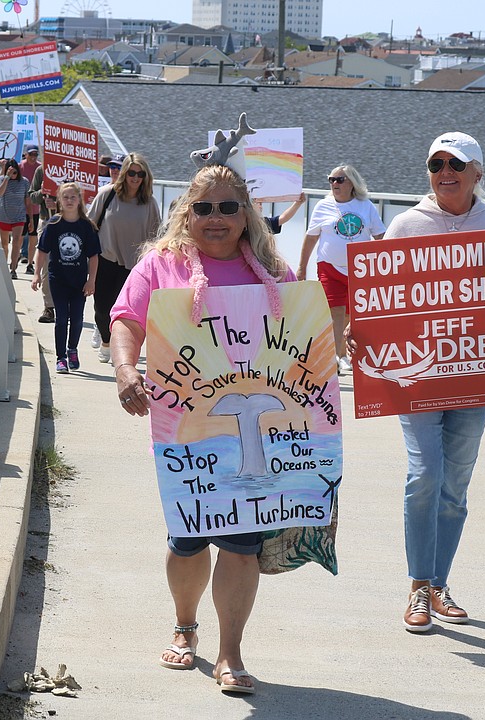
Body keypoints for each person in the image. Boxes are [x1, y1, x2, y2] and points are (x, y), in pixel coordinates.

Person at [109, 164, 296, 695]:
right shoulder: (159, 265)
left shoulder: (273, 272)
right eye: (204, 207)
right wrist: (127, 369)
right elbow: (127, 319)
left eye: (228, 207)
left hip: (255, 438)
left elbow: (305, 338)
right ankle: (185, 622)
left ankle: (230, 652)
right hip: (184, 432)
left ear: (246, 215)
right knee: (187, 541)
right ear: (187, 213)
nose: (216, 218)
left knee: (241, 543)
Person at [345, 131, 485, 633]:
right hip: (418, 376)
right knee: (425, 475)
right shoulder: (408, 224)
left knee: (455, 485)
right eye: (436, 164)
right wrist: (359, 327)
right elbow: (380, 295)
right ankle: (416, 585)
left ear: (479, 172)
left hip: (476, 375)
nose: (445, 172)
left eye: (457, 163)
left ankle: (439, 583)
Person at [297, 165, 385, 375]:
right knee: (334, 312)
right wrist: (302, 268)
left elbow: (381, 237)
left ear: (351, 183)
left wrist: (383, 267)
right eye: (331, 179)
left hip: (359, 269)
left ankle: (349, 352)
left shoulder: (366, 206)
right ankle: (339, 356)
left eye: (339, 180)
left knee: (352, 314)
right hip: (329, 267)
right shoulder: (323, 206)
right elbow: (310, 238)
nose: (334, 184)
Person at [87, 152, 160, 363]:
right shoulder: (107, 194)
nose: (135, 178)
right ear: (124, 174)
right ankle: (106, 341)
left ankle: (120, 350)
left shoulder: (150, 203)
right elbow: (90, 225)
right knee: (101, 309)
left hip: (134, 266)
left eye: (140, 174)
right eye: (131, 173)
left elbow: (156, 237)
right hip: (106, 259)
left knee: (124, 312)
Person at [31, 182, 100, 374]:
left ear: (80, 200)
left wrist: (91, 280)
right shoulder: (53, 224)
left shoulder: (87, 226)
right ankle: (61, 358)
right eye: (65, 197)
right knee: (61, 319)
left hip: (79, 281)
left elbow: (93, 256)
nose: (69, 201)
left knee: (77, 319)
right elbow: (42, 251)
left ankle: (72, 350)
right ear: (59, 200)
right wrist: (36, 274)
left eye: (73, 197)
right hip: (58, 279)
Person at [27, 165, 57, 324]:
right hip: (47, 221)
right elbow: (32, 197)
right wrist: (42, 191)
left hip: (70, 221)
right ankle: (49, 307)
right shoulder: (42, 170)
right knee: (47, 266)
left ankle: (68, 305)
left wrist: (58, 202)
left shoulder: (75, 166)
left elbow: (82, 197)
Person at [0, 158, 29, 279]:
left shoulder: (24, 182)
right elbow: (0, 192)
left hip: (19, 216)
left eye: (15, 172)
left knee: (16, 242)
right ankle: (4, 266)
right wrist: (7, 177)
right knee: (4, 244)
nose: (13, 175)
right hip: (4, 215)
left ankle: (13, 268)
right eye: (11, 172)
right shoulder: (2, 179)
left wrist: (31, 220)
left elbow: (27, 201)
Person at [19, 145, 42, 274]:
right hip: (21, 209)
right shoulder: (20, 167)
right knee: (20, 236)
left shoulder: (40, 168)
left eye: (35, 154)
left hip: (35, 208)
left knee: (33, 236)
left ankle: (29, 262)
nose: (33, 157)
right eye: (31, 154)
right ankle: (15, 260)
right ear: (26, 154)